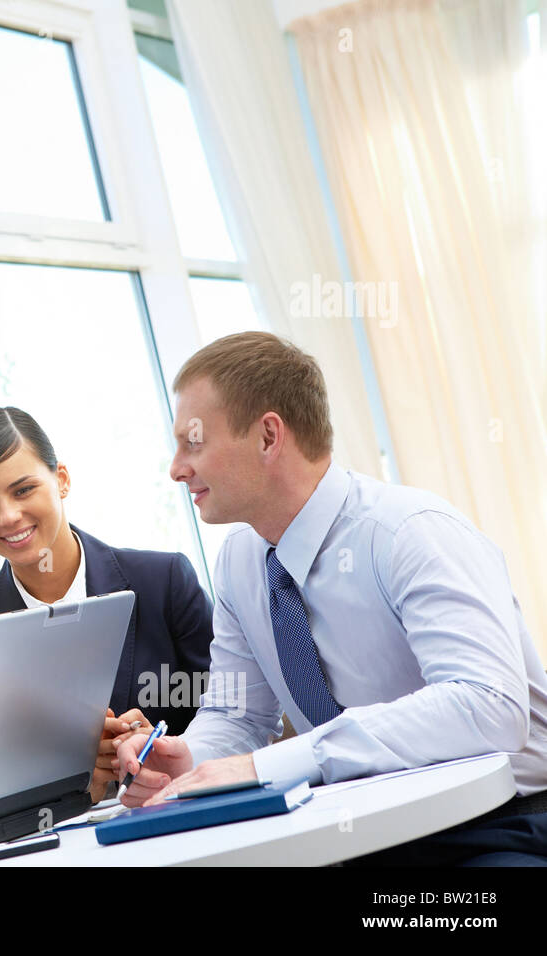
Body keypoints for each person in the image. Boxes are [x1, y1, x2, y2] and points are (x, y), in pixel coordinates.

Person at [117, 331, 547, 865]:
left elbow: (490, 706)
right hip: (362, 833)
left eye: (193, 443)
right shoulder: (240, 561)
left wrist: (268, 766)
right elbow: (238, 715)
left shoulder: (409, 532)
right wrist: (191, 759)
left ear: (269, 436)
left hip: (501, 821)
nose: (176, 468)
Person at [0, 406, 214, 803]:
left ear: (62, 480)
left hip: (185, 814)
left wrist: (161, 743)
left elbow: (231, 707)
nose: (9, 517)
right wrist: (75, 777)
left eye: (23, 490)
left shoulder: (163, 581)